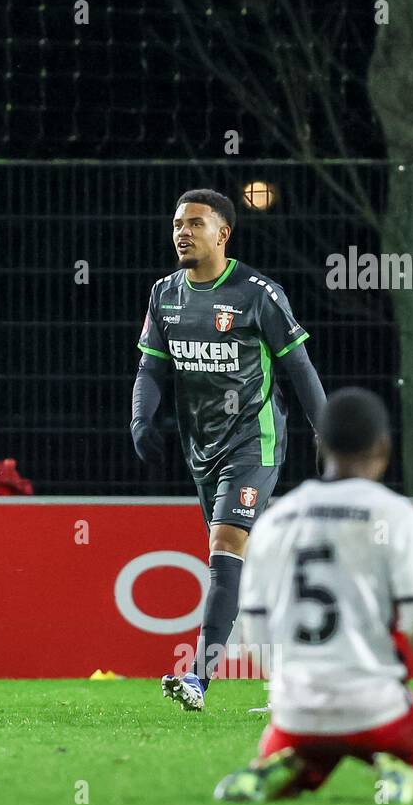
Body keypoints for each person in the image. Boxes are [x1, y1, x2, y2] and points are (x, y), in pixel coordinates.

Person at [214, 387, 413, 803]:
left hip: (295, 714)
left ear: (321, 445)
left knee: (318, 740)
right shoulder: (394, 515)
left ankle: (286, 765)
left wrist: (290, 687)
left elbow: (252, 628)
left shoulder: (276, 519)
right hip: (378, 711)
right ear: (383, 448)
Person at [131, 188, 326, 712]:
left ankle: (197, 678)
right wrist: (140, 417)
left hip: (253, 440)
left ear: (223, 233)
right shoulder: (165, 294)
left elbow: (298, 366)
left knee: (223, 546)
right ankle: (308, 667)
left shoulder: (256, 292)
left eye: (195, 223)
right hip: (202, 447)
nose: (182, 231)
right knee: (248, 561)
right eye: (177, 223)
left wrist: (324, 430)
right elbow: (151, 367)